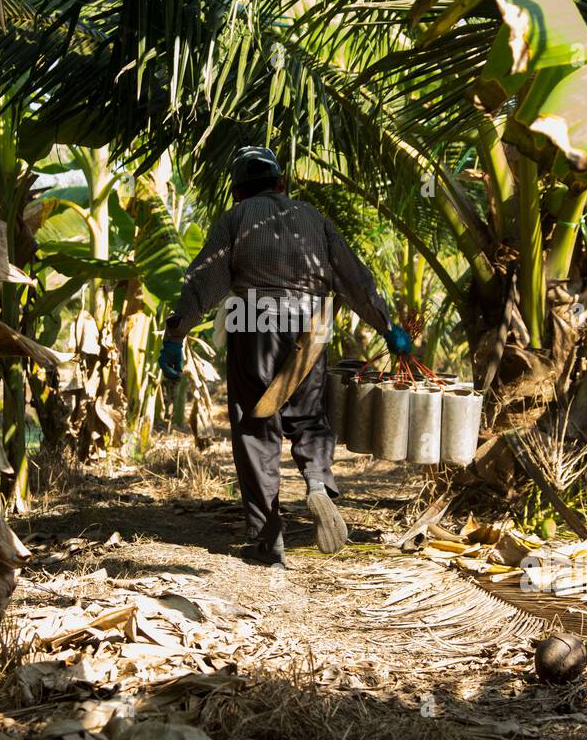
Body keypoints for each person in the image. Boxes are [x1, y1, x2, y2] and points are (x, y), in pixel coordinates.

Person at [157, 146, 412, 567]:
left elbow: (205, 281)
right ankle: (315, 482)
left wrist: (176, 334)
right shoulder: (314, 218)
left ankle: (266, 540)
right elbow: (354, 277)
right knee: (309, 415)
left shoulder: (234, 219)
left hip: (252, 322)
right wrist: (387, 327)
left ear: (237, 193)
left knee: (257, 424)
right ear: (281, 182)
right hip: (312, 323)